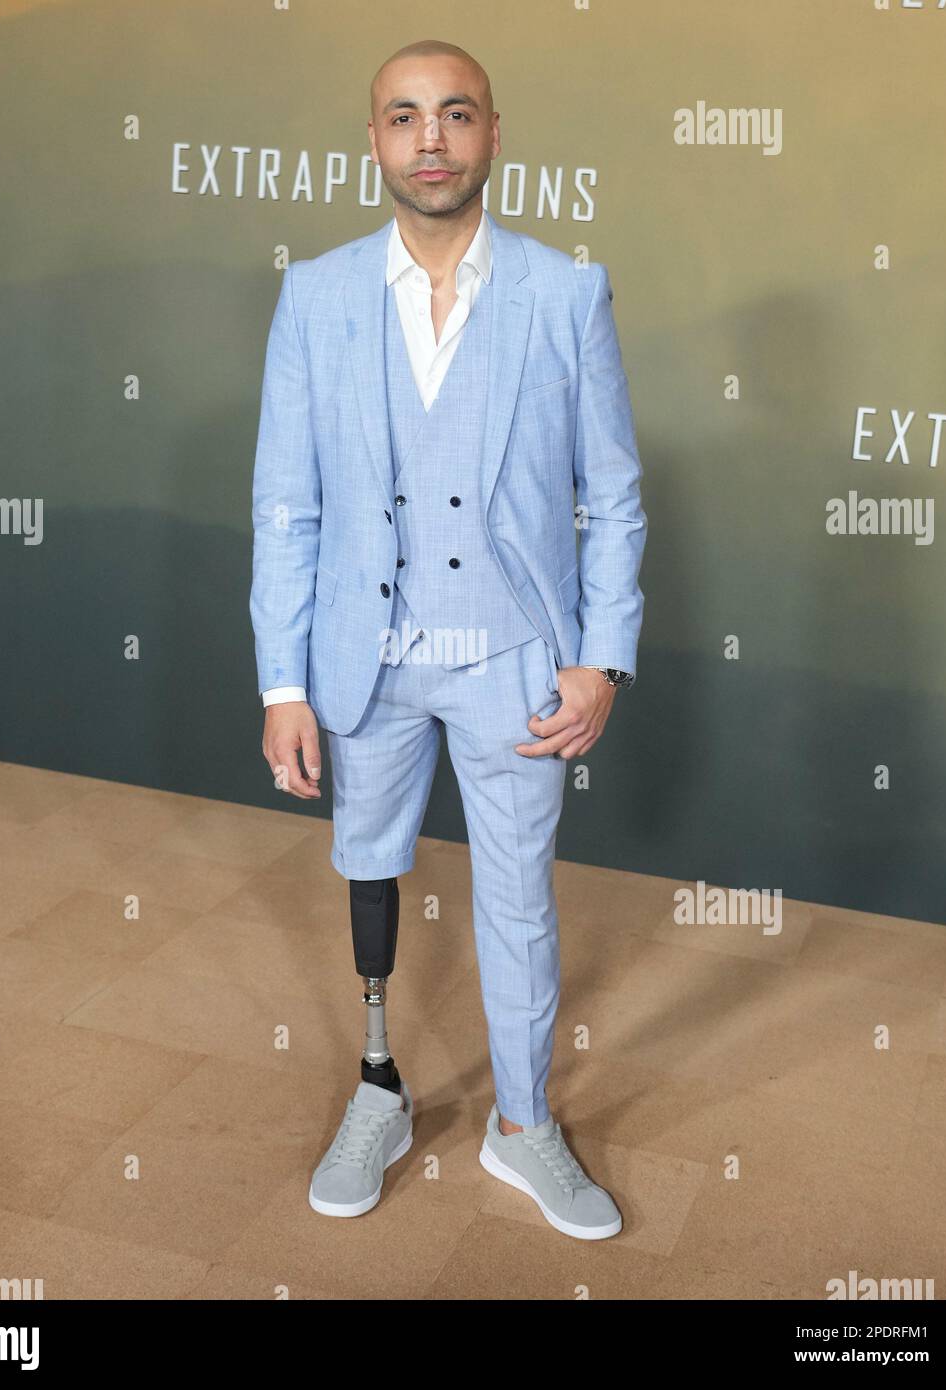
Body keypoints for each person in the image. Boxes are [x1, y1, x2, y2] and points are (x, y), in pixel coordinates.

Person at [250, 39, 646, 1240]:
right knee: (367, 862)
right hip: (359, 663)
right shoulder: (313, 297)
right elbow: (286, 504)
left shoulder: (563, 292)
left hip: (514, 661)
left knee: (517, 900)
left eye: (454, 115)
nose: (431, 139)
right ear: (373, 141)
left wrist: (601, 654)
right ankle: (378, 1082)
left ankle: (523, 1125)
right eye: (405, 118)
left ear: (488, 135)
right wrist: (282, 680)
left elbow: (613, 495)